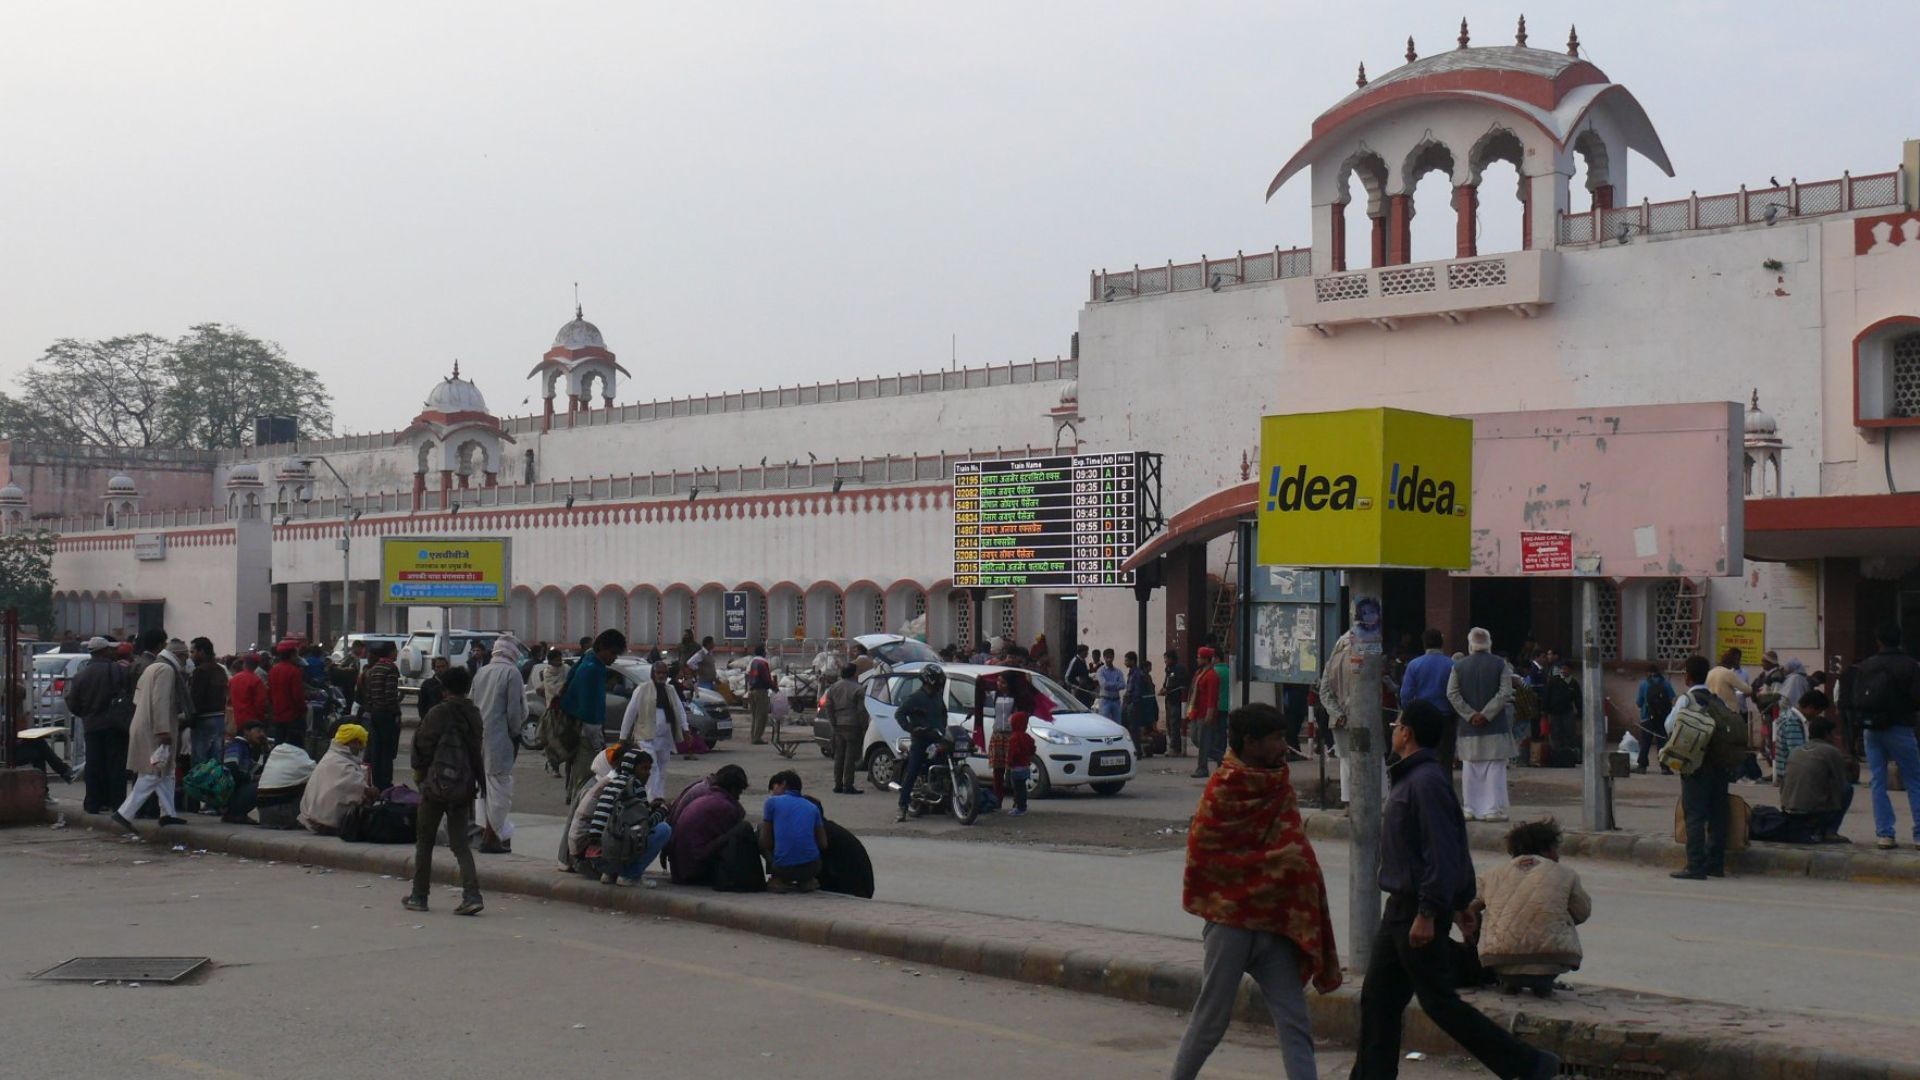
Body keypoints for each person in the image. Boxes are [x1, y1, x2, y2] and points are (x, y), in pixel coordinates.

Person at [1350, 700, 1561, 1080]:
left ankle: (1528, 1064)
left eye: (1397, 724)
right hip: (1401, 908)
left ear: (1407, 733)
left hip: (1416, 908)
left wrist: (1430, 912)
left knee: (1439, 1004)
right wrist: (1462, 901)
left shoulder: (1425, 782)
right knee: (1378, 1000)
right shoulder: (1414, 777)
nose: (1394, 729)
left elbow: (1442, 851)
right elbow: (1450, 846)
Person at [1172, 702, 1341, 1080]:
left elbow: (1294, 850)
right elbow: (1206, 854)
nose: (1284, 746)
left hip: (1275, 924)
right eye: (1277, 738)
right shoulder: (1222, 788)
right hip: (1230, 925)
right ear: (1251, 743)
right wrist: (1278, 867)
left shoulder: (1279, 783)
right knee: (1210, 1021)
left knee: (1294, 1021)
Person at [1470, 819, 1591, 998]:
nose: (1557, 856)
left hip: (1499, 959)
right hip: (1553, 959)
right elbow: (1582, 912)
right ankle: (1542, 985)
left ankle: (1508, 982)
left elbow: (1468, 907)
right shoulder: (1566, 874)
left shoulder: (1490, 875)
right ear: (1545, 849)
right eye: (1554, 850)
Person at [407, 665, 486, 915]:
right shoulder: (474, 713)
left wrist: (421, 776)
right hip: (463, 786)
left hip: (436, 785)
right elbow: (476, 752)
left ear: (444, 689)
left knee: (425, 841)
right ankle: (472, 895)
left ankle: (419, 896)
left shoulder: (438, 713)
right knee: (461, 844)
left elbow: (421, 746)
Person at [1670, 654, 1749, 880]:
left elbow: (1669, 727)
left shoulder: (1686, 700)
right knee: (1718, 814)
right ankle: (1716, 864)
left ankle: (1695, 865)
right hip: (1720, 764)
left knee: (1694, 815)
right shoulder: (1717, 701)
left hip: (1696, 765)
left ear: (1687, 676)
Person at [1846, 624, 1920, 849]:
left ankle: (1884, 834)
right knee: (1914, 781)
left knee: (1878, 782)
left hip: (1872, 730)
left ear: (1878, 641)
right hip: (1900, 727)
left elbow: (1856, 698)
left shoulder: (1867, 665)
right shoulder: (1910, 665)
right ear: (1899, 640)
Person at [109, 629, 189, 831]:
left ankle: (168, 814)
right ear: (179, 656)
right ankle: (124, 813)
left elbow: (138, 698)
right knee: (153, 772)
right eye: (185, 656)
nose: (187, 659)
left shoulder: (153, 667)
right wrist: (163, 730)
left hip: (144, 723)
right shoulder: (166, 670)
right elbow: (160, 701)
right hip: (155, 728)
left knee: (165, 772)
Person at [1445, 628, 1518, 822]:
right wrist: (1486, 714)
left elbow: (1452, 693)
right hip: (1495, 726)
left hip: (1469, 728)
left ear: (1470, 644)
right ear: (1489, 643)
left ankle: (1470, 809)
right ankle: (1492, 810)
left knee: (1470, 768)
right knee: (1494, 768)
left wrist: (1470, 715)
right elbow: (1505, 692)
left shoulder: (1459, 666)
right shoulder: (1500, 664)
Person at [470, 636, 527, 854]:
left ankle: (489, 834)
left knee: (485, 790)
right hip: (501, 740)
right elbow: (514, 712)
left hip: (480, 740)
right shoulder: (512, 673)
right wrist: (515, 734)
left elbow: (472, 704)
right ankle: (493, 836)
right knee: (501, 789)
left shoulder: (481, 672)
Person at [558, 629, 624, 801]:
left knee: (579, 775)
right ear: (602, 648)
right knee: (588, 779)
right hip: (587, 732)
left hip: (575, 727)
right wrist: (598, 743)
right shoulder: (594, 670)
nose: (614, 658)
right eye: (613, 653)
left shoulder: (587, 660)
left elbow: (570, 679)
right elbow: (590, 710)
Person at [65, 636, 129, 814]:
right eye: (110, 649)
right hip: (116, 726)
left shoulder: (80, 676)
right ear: (104, 651)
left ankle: (93, 803)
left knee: (94, 765)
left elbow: (73, 703)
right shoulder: (118, 670)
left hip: (92, 726)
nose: (113, 651)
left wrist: (86, 714)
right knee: (116, 766)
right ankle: (117, 803)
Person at [618, 659, 688, 801]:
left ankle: (659, 796)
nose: (661, 676)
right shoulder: (642, 689)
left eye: (664, 673)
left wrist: (685, 729)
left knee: (662, 768)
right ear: (653, 673)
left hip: (665, 736)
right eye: (658, 672)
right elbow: (630, 713)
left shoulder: (670, 690)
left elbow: (679, 710)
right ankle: (650, 799)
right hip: (646, 735)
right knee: (652, 767)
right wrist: (623, 737)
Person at [666, 766, 750, 884]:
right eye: (739, 792)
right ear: (733, 788)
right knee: (743, 830)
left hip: (680, 864)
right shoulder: (718, 801)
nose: (738, 797)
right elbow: (734, 832)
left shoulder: (708, 791)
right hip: (692, 868)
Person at [1782, 711, 1853, 842]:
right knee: (1848, 789)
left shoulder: (1796, 751)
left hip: (1788, 809)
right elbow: (1841, 781)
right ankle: (1830, 831)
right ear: (1827, 734)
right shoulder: (1831, 751)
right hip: (1813, 811)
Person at [894, 663, 950, 822]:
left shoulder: (938, 696)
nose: (939, 683)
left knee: (944, 767)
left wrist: (943, 729)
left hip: (937, 738)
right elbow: (900, 714)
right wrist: (912, 729)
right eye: (937, 679)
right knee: (912, 772)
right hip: (920, 740)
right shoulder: (915, 697)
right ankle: (902, 806)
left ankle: (944, 803)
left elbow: (943, 713)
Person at [299, 723, 376, 834]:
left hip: (314, 817)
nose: (361, 748)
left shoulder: (331, 757)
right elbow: (364, 791)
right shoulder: (342, 764)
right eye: (359, 743)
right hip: (327, 822)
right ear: (351, 742)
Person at [761, 770, 828, 892]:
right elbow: (823, 844)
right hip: (812, 867)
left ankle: (778, 879)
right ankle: (806, 880)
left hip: (783, 868)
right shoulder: (813, 807)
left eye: (774, 788)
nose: (773, 793)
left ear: (783, 784)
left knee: (761, 829)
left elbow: (766, 843)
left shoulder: (772, 802)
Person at [185, 637, 229, 807]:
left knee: (199, 764)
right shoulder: (220, 670)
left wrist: (189, 719)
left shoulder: (200, 672)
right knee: (216, 764)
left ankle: (195, 802)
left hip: (204, 720)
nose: (191, 655)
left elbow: (195, 699)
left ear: (202, 652)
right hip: (218, 718)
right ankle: (213, 803)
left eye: (193, 651)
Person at [356, 641, 402, 790]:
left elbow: (368, 694)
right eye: (395, 651)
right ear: (390, 652)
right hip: (386, 715)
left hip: (374, 713)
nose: (397, 654)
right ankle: (385, 782)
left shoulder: (374, 669)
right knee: (387, 750)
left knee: (376, 748)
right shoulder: (391, 668)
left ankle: (376, 781)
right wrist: (395, 712)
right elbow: (390, 695)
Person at [823, 663, 869, 794]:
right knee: (850, 757)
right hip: (853, 725)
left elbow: (829, 708)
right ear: (854, 674)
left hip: (838, 724)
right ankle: (848, 785)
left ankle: (837, 784)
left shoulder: (833, 688)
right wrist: (864, 726)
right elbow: (861, 711)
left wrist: (833, 723)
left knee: (839, 756)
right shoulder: (858, 689)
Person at [218, 720, 270, 824]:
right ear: (246, 731)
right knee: (262, 785)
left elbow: (259, 770)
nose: (262, 735)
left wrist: (266, 751)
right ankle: (235, 814)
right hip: (230, 796)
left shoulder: (247, 747)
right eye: (258, 731)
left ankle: (237, 813)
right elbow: (231, 770)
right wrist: (252, 778)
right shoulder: (237, 745)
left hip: (236, 794)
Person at [1187, 647, 1223, 779]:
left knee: (1203, 742)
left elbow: (1212, 697)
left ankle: (1202, 768)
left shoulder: (1212, 676)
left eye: (1200, 657)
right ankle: (1221, 757)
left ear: (1206, 659)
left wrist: (1210, 713)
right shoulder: (1199, 673)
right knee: (1196, 739)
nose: (1197, 659)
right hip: (1197, 712)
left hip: (1205, 713)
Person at [1633, 663, 1676, 774]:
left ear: (1647, 673)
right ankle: (1665, 767)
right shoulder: (1666, 683)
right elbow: (1672, 698)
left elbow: (1638, 703)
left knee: (1645, 743)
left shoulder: (1643, 684)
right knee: (1662, 742)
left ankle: (1642, 766)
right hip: (1663, 718)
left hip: (1647, 718)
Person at [266, 641, 309, 750]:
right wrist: (303, 710)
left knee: (279, 746)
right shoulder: (294, 671)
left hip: (278, 716)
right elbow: (297, 696)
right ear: (292, 654)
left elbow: (270, 694)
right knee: (296, 748)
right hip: (293, 717)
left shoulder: (273, 670)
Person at [1541, 659, 1582, 762]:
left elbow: (1578, 699)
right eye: (1562, 668)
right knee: (1555, 733)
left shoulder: (1573, 683)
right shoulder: (1554, 681)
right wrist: (1544, 710)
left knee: (1569, 733)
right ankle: (1556, 754)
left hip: (1567, 712)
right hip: (1554, 712)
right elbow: (1547, 696)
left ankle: (1569, 755)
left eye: (1566, 669)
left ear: (1571, 670)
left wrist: (1580, 712)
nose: (1564, 671)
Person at [1772, 686, 1813, 784]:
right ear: (1810, 707)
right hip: (1792, 775)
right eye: (1817, 712)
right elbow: (1797, 752)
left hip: (1787, 772)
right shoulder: (1793, 721)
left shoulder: (1789, 715)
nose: (1815, 716)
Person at [1005, 711, 1036, 817]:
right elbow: (1032, 749)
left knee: (1017, 789)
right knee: (1022, 788)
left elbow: (1012, 752)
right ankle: (1022, 807)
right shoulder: (1027, 737)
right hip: (1026, 766)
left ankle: (1019, 808)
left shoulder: (1014, 738)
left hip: (1016, 767)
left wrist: (1009, 762)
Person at [744, 642, 776, 745]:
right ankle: (757, 738)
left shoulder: (752, 662)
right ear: (763, 653)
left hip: (752, 690)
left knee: (754, 715)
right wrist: (775, 688)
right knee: (761, 715)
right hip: (761, 691)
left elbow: (748, 675)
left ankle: (753, 735)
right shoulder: (763, 663)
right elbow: (767, 679)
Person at [229, 653, 267, 734]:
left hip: (237, 719)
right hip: (252, 722)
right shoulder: (256, 681)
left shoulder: (233, 679)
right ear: (257, 665)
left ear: (244, 664)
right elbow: (260, 704)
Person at [1162, 650, 1189, 756]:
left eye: (1167, 658)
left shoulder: (1179, 668)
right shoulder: (1168, 670)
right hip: (1169, 700)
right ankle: (1172, 745)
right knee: (1169, 724)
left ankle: (1176, 748)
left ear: (1172, 658)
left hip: (1177, 700)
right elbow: (1167, 683)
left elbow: (1182, 682)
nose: (1165, 661)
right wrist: (1164, 689)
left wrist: (1169, 688)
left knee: (1175, 724)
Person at [416, 655, 450, 720]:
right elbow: (421, 705)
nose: (441, 669)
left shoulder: (451, 683)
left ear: (447, 667)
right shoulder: (427, 684)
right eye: (438, 667)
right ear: (434, 668)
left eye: (443, 667)